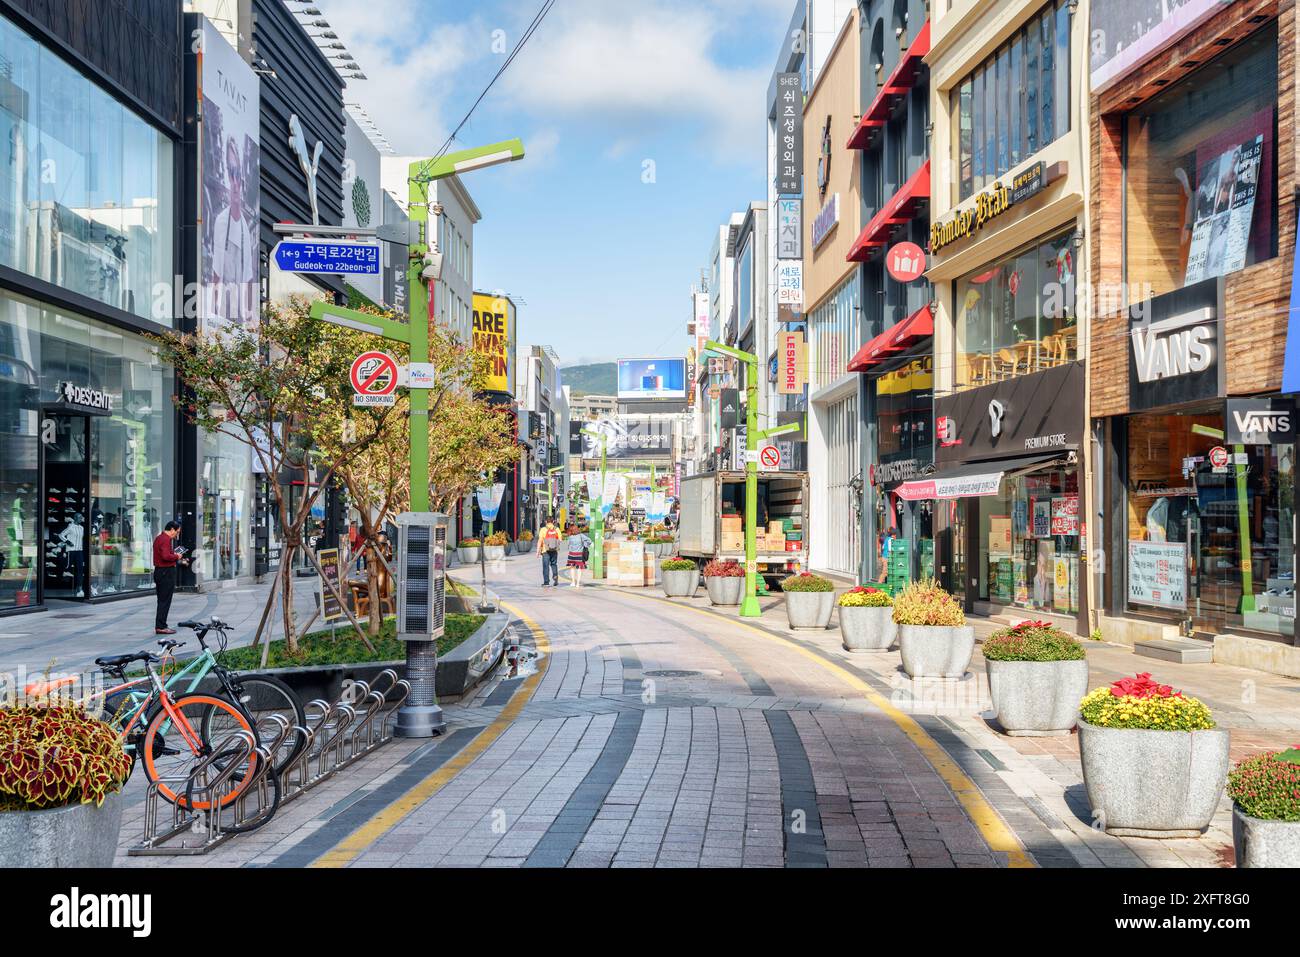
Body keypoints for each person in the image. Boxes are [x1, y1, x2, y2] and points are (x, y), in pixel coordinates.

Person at [153, 521, 190, 635]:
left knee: (162, 600)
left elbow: (163, 554)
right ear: (172, 529)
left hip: (160, 571)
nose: (177, 535)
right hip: (166, 572)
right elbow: (165, 556)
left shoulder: (159, 538)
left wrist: (173, 555)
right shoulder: (166, 539)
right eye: (177, 532)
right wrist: (177, 556)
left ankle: (161, 625)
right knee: (165, 601)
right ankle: (161, 626)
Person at [564, 524, 593, 588]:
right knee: (579, 569)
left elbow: (568, 545)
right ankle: (578, 583)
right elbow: (589, 540)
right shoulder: (581, 536)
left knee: (572, 568)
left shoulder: (570, 537)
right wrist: (585, 545)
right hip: (579, 555)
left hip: (571, 554)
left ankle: (573, 582)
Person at [537, 518, 562, 587]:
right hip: (554, 550)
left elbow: (540, 540)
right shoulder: (557, 529)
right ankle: (555, 577)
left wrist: (538, 551)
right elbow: (560, 540)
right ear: (553, 521)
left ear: (546, 522)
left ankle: (546, 582)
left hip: (545, 550)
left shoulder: (543, 529)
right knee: (554, 564)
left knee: (546, 566)